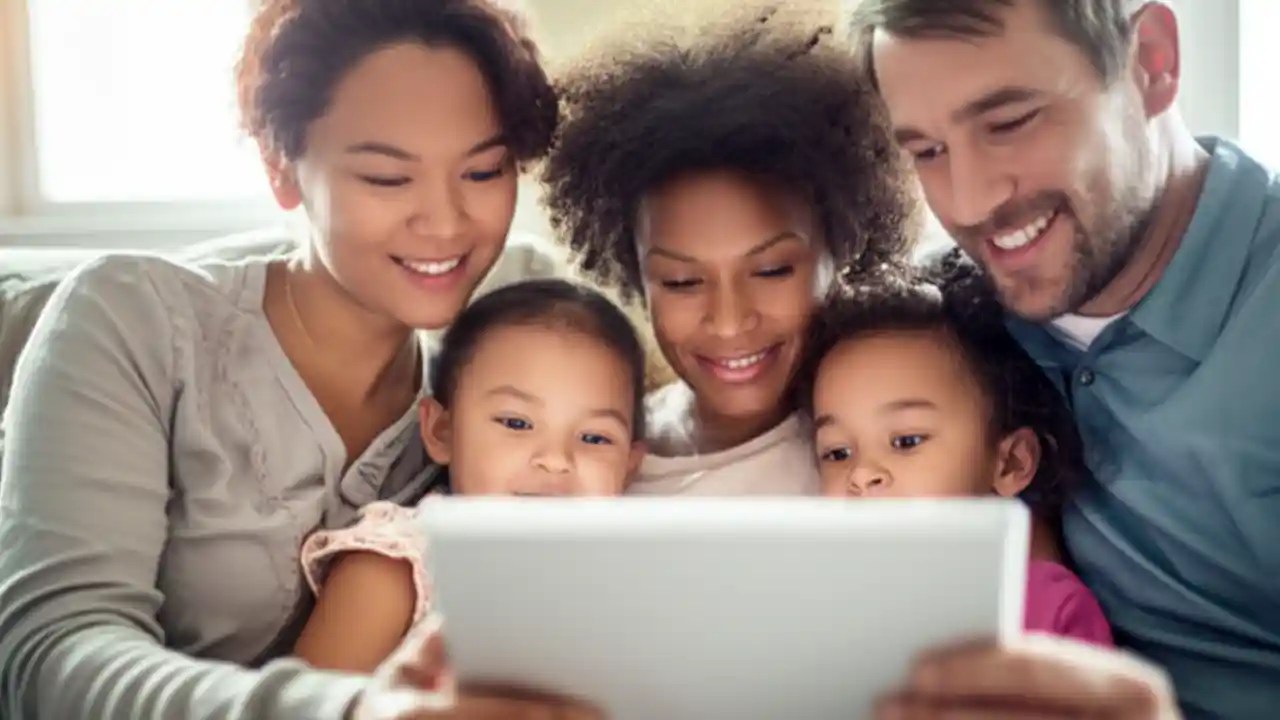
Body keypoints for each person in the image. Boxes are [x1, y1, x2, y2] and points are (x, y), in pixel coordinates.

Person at [0, 1, 595, 718]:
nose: (445, 223)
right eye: (387, 178)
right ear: (281, 168)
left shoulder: (520, 316)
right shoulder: (130, 320)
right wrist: (345, 711)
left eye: (483, 171)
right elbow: (52, 656)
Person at [847, 0, 1280, 717]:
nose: (970, 202)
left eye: (1010, 122)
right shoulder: (944, 321)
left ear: (1152, 63)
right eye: (927, 151)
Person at [541, 5, 916, 495]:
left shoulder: (885, 462)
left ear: (843, 248)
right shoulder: (594, 454)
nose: (729, 322)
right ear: (636, 276)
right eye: (682, 282)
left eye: (772, 270)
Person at [290, 279, 648, 672]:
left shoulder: (634, 576)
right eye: (516, 423)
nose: (555, 459)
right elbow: (310, 697)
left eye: (595, 438)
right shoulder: (400, 562)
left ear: (629, 467)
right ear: (442, 432)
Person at [805, 253, 1112, 645]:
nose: (861, 474)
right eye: (837, 453)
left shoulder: (1041, 608)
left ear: (1011, 463)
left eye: (906, 442)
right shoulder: (838, 602)